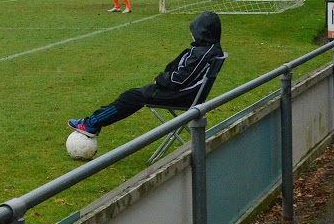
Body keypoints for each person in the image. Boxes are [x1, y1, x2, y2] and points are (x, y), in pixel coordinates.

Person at [69, 12, 222, 138]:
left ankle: (91, 123)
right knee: (134, 95)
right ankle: (93, 122)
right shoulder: (209, 49)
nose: (192, 34)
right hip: (189, 95)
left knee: (131, 97)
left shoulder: (203, 53)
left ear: (203, 32)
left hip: (181, 96)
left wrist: (160, 81)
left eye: (194, 31)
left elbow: (178, 80)